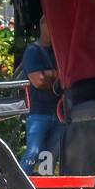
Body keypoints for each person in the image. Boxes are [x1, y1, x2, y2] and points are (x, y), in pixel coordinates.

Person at [19, 16, 66, 178]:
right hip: (38, 112)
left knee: (50, 156)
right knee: (32, 153)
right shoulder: (33, 51)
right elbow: (38, 81)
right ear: (43, 25)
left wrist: (50, 76)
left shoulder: (58, 52)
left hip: (58, 113)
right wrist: (57, 76)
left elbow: (65, 79)